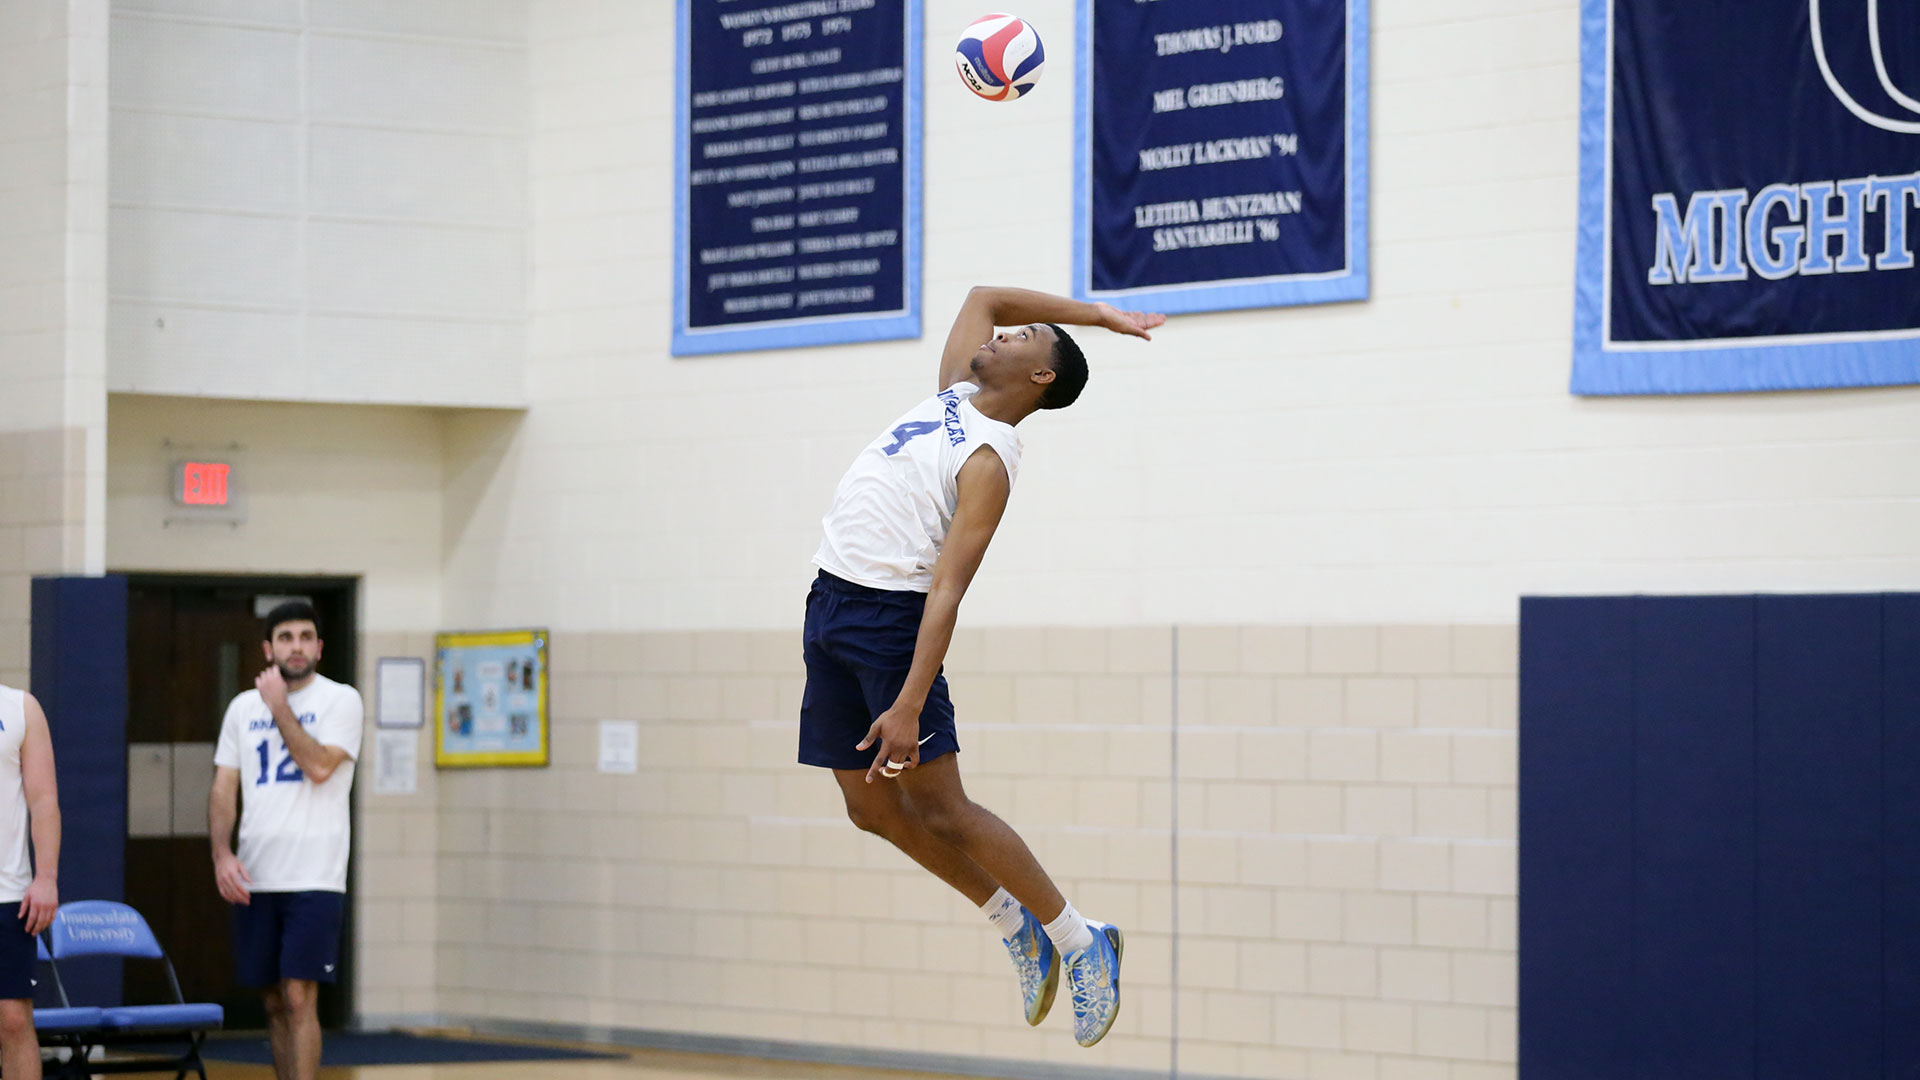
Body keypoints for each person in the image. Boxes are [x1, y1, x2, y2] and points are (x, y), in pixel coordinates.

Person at [800, 286, 1164, 1047]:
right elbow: (984, 296)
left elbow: (947, 591)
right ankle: (1015, 925)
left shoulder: (989, 460)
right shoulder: (953, 395)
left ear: (1040, 378)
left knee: (941, 808)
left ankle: (1080, 940)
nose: (1001, 335)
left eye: (1024, 338)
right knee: (868, 807)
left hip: (890, 624)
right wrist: (1102, 315)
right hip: (829, 604)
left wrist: (909, 702)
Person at [210, 602, 363, 1080]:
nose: (296, 646)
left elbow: (319, 766)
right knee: (274, 1001)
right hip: (258, 873)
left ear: (319, 647)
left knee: (299, 995)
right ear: (268, 649)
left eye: (305, 637)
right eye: (285, 637)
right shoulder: (241, 708)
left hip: (315, 874)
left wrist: (279, 707)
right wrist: (221, 854)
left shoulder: (341, 700)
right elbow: (224, 786)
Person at [0, 686, 60, 1080]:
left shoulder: (20, 707)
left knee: (14, 1019)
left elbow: (44, 801)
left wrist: (46, 878)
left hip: (7, 893)